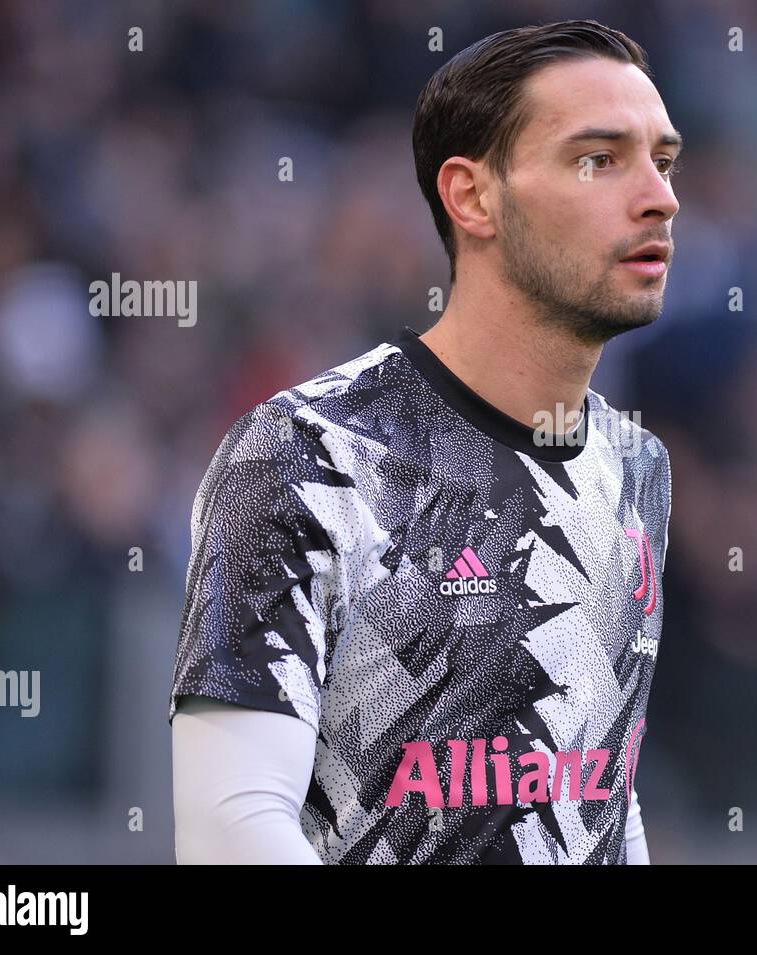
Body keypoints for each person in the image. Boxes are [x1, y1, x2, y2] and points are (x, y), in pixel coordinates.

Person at [169, 18, 681, 864]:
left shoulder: (638, 469)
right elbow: (232, 828)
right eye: (599, 159)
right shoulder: (307, 451)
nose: (659, 196)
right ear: (472, 197)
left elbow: (600, 796)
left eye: (663, 161)